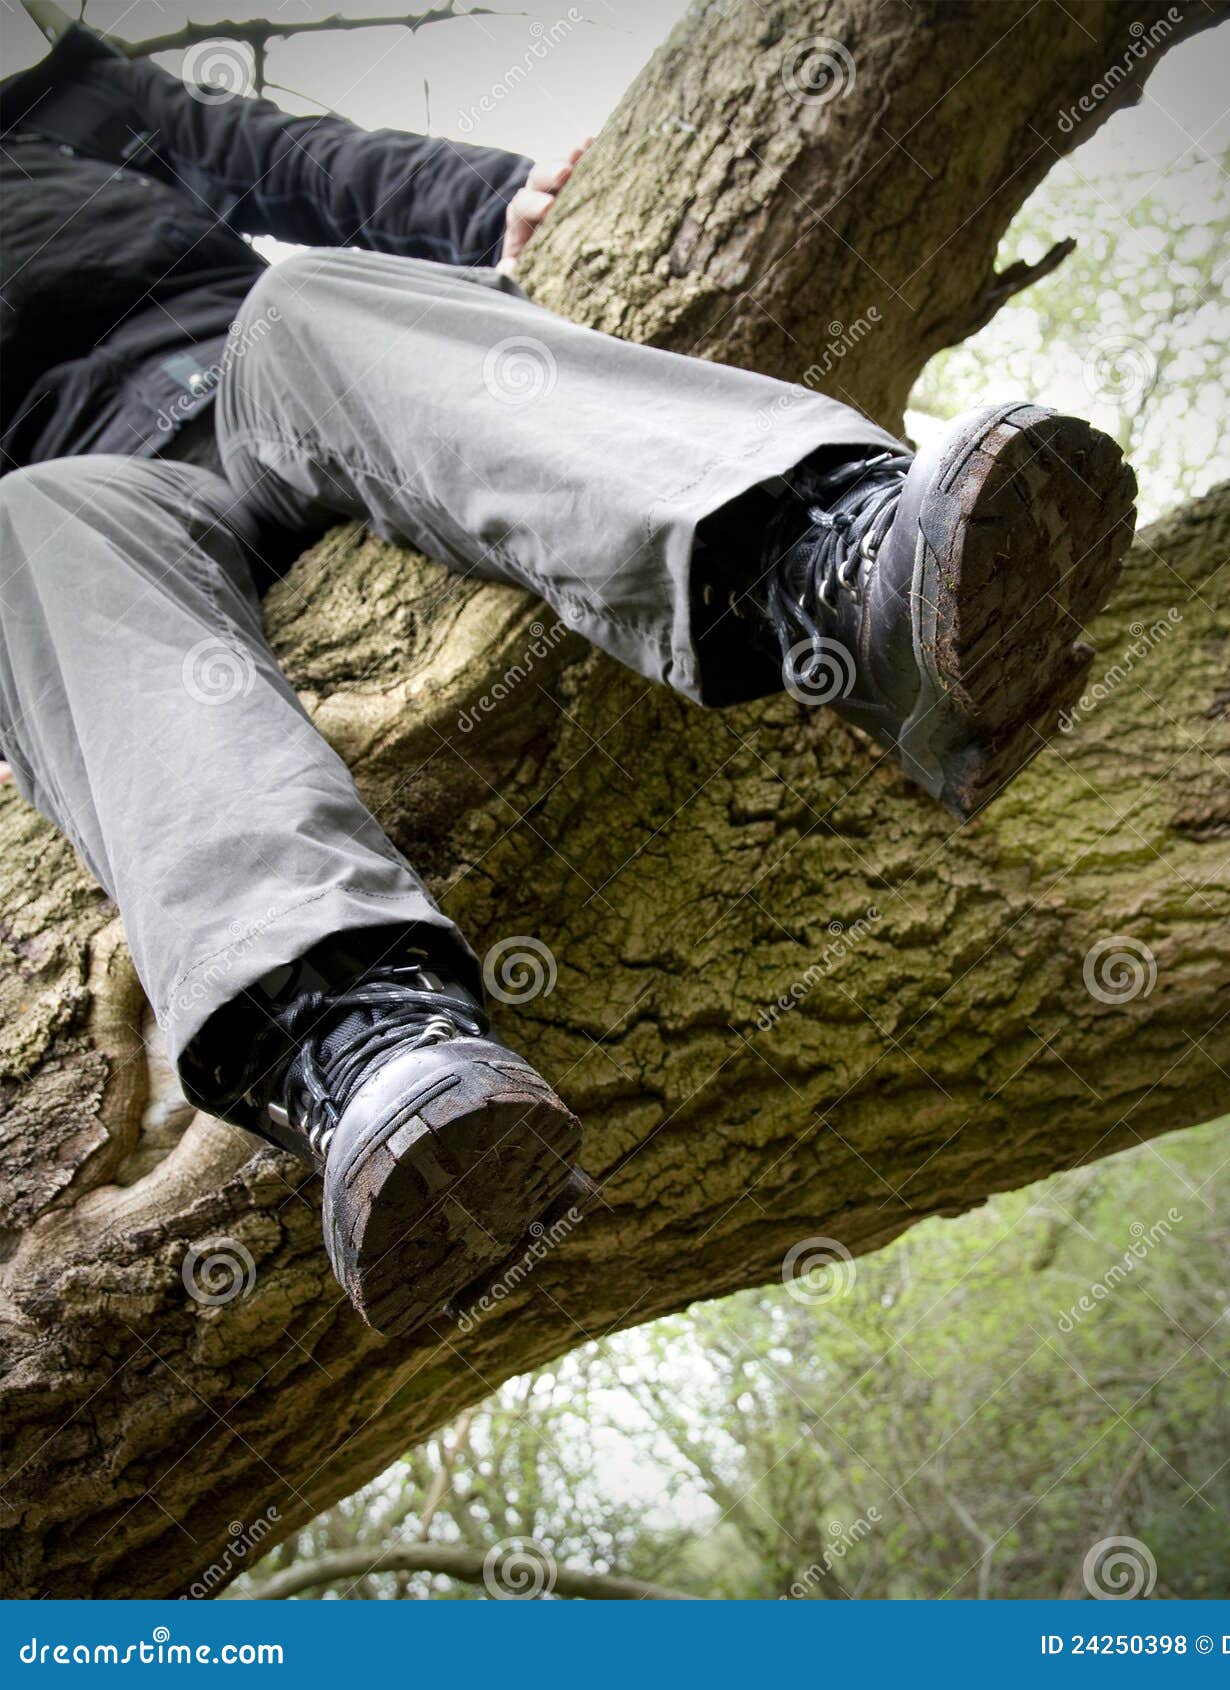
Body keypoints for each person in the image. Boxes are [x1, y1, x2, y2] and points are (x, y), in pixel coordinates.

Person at [0, 19, 1136, 1335]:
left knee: (310, 300)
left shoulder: (75, 103)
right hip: (98, 520)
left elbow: (299, 161)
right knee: (28, 524)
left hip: (269, 390)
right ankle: (369, 1052)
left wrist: (493, 199)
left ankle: (849, 573)